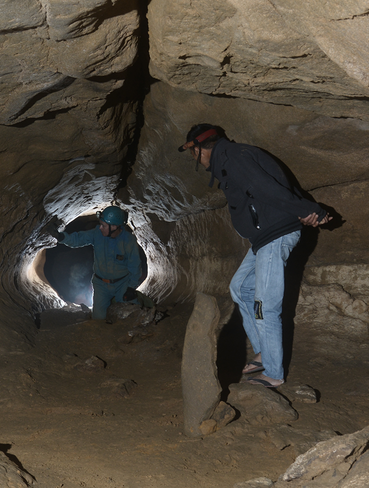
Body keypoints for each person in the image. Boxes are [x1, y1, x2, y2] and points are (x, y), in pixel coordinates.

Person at [179, 124, 331, 388]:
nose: (194, 158)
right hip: (264, 238)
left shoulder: (235, 157)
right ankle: (264, 351)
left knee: (266, 305)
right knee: (240, 287)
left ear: (200, 147)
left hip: (276, 234)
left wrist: (309, 209)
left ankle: (273, 373)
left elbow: (266, 188)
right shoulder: (229, 160)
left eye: (192, 152)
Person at [48, 206, 144, 322]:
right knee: (98, 319)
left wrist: (131, 288)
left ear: (114, 227)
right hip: (101, 284)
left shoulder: (128, 240)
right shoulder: (97, 234)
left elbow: (135, 265)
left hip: (122, 284)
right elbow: (79, 239)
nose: (100, 228)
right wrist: (61, 237)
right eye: (100, 224)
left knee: (132, 314)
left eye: (103, 225)